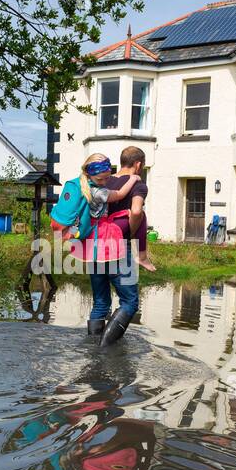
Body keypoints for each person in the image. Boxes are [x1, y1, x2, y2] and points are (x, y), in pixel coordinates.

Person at [90, 145, 149, 345]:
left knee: (100, 302)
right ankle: (104, 348)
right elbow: (136, 211)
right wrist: (131, 233)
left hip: (95, 245)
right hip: (118, 246)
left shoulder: (105, 180)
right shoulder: (138, 184)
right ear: (138, 164)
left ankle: (91, 348)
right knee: (130, 302)